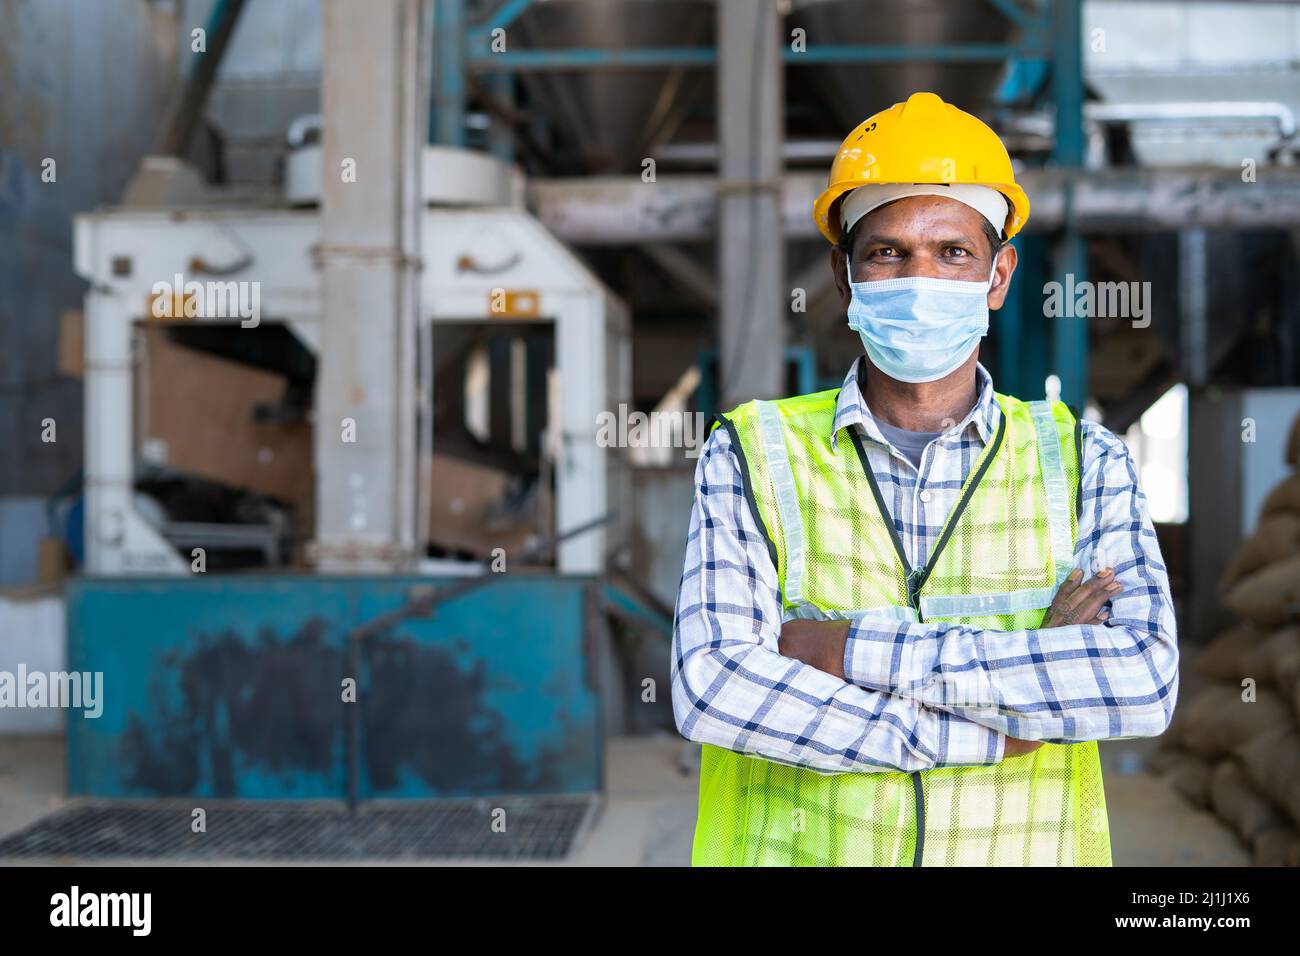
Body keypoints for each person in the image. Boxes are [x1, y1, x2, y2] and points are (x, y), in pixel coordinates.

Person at [670, 91, 1179, 867]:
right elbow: (714, 685)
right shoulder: (750, 452)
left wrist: (848, 651)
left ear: (998, 275)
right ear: (845, 280)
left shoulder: (1083, 463)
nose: (920, 277)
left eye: (952, 252)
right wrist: (1005, 710)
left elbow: (1141, 680)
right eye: (887, 253)